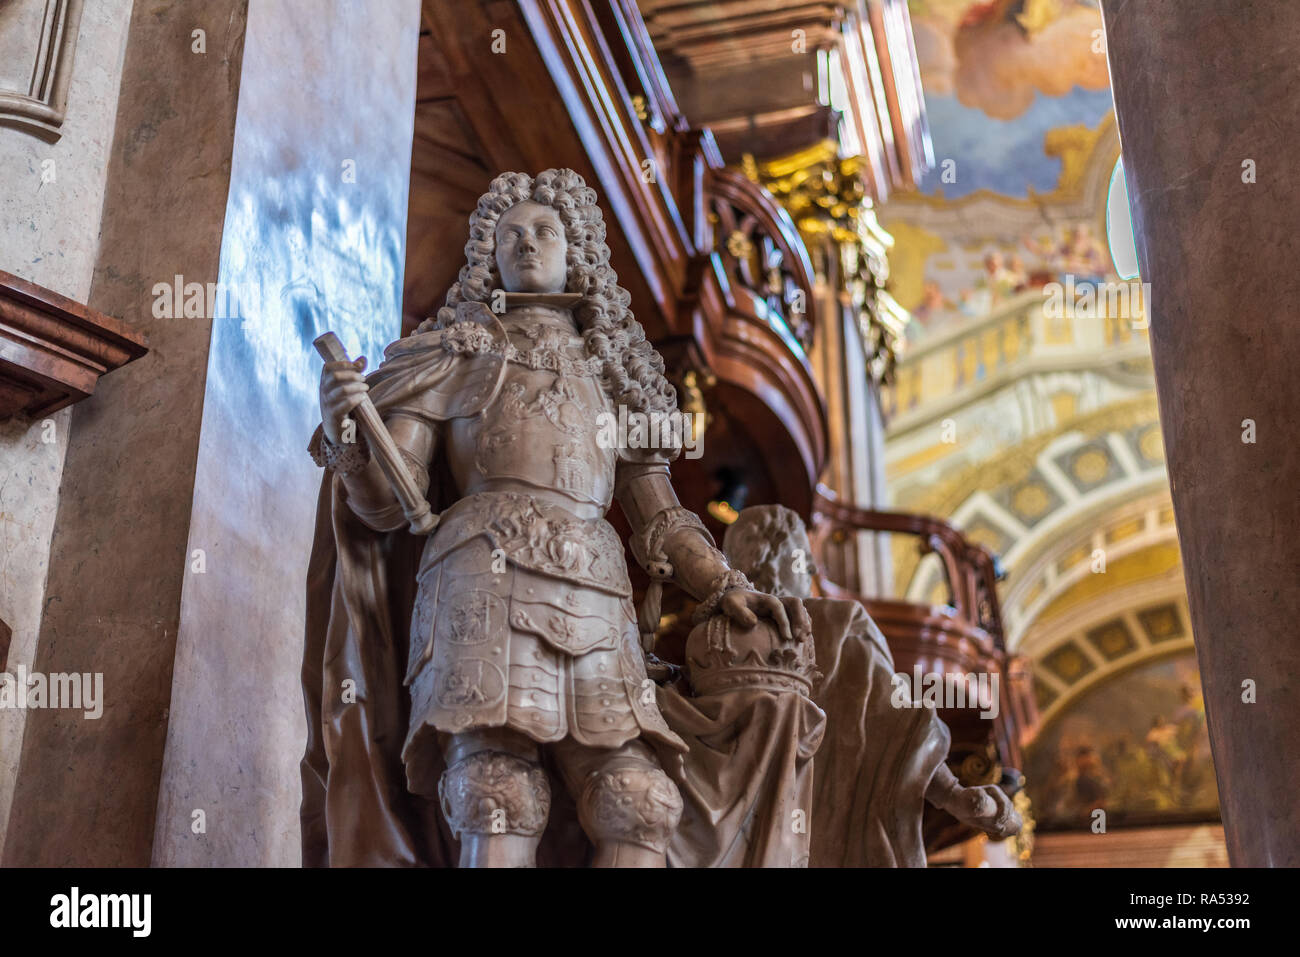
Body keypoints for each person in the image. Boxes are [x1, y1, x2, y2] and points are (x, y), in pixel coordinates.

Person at [302, 169, 805, 867]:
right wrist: (349, 433)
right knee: (496, 790)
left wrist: (723, 583)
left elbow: (660, 518)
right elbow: (390, 501)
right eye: (510, 235)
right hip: (481, 578)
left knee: (638, 802)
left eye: (545, 231)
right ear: (488, 255)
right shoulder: (453, 354)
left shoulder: (615, 371)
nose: (527, 243)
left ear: (578, 251)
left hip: (598, 590)